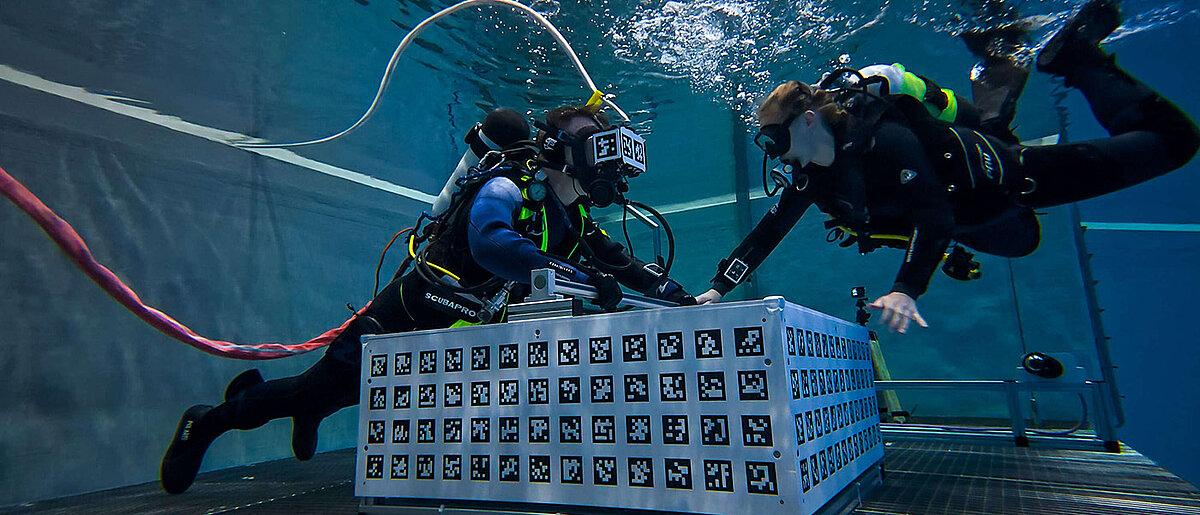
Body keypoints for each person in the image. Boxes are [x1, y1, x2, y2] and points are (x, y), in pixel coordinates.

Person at [159, 105, 693, 494]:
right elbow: (490, 243)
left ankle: (300, 406)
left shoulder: (572, 217)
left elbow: (622, 264)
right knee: (313, 390)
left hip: (448, 330)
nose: (599, 147)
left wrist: (681, 298)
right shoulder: (511, 181)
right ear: (558, 145)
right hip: (403, 315)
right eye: (587, 135)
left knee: (350, 396)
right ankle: (205, 421)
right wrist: (571, 270)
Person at [695, 0, 1199, 334]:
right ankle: (997, 50)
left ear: (806, 122)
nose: (770, 149)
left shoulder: (882, 141)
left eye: (772, 137)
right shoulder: (813, 175)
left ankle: (1079, 59)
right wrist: (717, 289)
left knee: (1176, 142)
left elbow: (933, 214)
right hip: (979, 213)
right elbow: (769, 230)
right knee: (1013, 209)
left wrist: (906, 288)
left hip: (1009, 180)